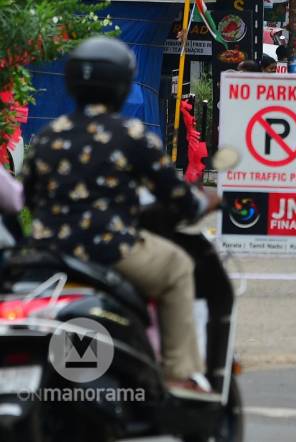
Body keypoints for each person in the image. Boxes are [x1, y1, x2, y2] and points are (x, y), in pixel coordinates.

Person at [21, 37, 220, 397]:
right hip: (111, 250)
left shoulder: (49, 135)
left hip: (48, 254)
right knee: (177, 266)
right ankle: (179, 374)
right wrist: (202, 203)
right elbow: (175, 196)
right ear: (122, 85)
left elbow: (30, 198)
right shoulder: (129, 134)